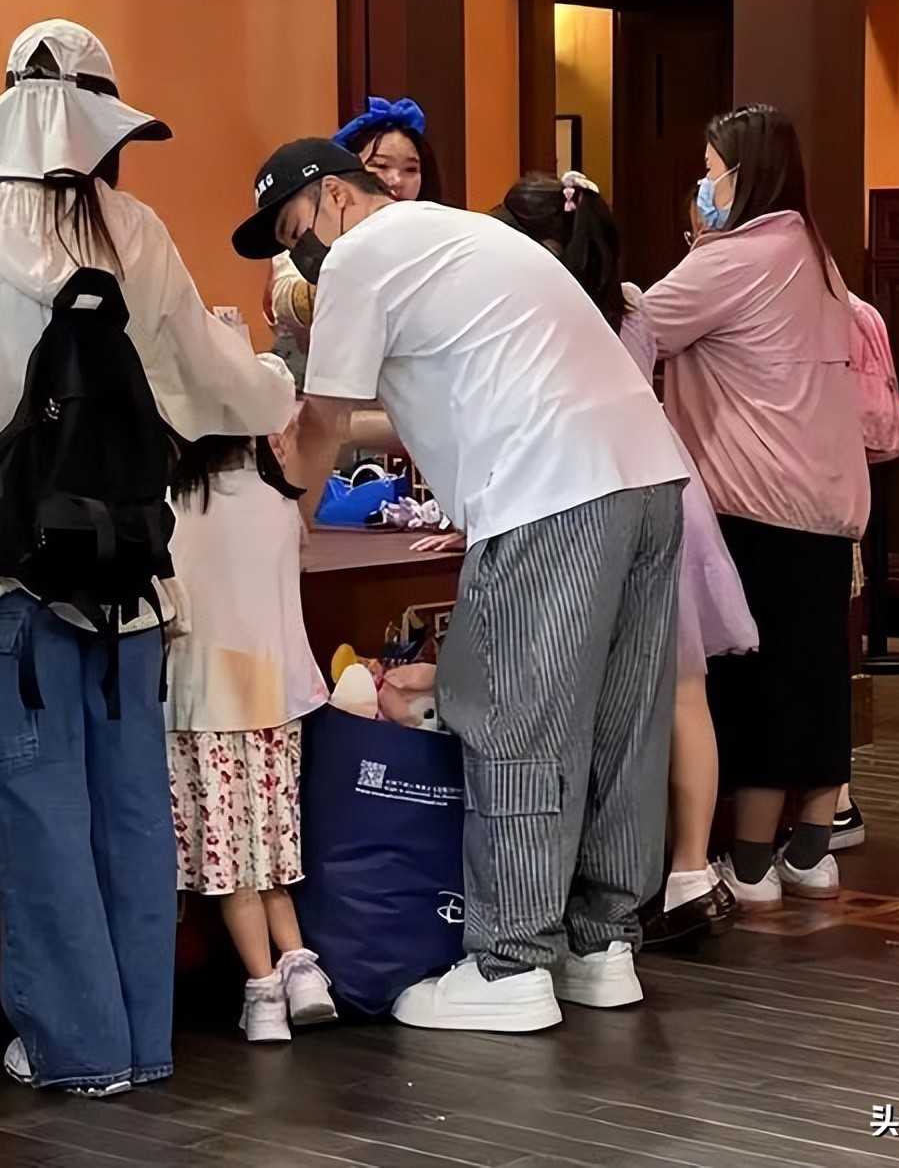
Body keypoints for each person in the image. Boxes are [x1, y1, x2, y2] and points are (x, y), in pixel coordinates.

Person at [0, 20, 294, 1095]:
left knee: (38, 813)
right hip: (131, 579)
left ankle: (78, 1050)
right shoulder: (137, 230)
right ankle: (142, 1040)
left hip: (4, 583)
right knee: (130, 810)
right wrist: (288, 388)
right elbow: (213, 389)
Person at [232, 138, 689, 1032]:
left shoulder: (365, 251)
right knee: (618, 718)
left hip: (550, 493)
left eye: (297, 235)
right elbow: (416, 406)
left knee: (515, 713)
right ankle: (601, 946)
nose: (303, 261)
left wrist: (283, 507)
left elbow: (323, 417)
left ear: (334, 199)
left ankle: (510, 963)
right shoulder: (457, 237)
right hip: (646, 475)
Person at [493, 172, 758, 945]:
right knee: (684, 695)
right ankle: (689, 869)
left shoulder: (530, 315)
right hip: (665, 486)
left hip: (582, 490)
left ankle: (592, 889)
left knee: (596, 707)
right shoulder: (631, 307)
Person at [642, 104, 871, 912]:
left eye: (709, 173)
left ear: (742, 178)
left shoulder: (736, 257)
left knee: (757, 686)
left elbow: (635, 325)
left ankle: (746, 864)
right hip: (827, 502)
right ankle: (810, 851)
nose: (701, 189)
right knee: (814, 679)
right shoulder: (812, 250)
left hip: (757, 500)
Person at [166, 362, 336, 1044]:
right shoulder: (281, 504)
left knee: (228, 856)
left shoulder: (172, 508)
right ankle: (302, 969)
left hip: (201, 696)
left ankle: (263, 992)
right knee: (271, 846)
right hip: (273, 694)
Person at [265, 97, 440, 387]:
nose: (396, 180)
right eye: (381, 165)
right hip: (311, 377)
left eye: (411, 170)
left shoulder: (436, 234)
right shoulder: (308, 231)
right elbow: (284, 299)